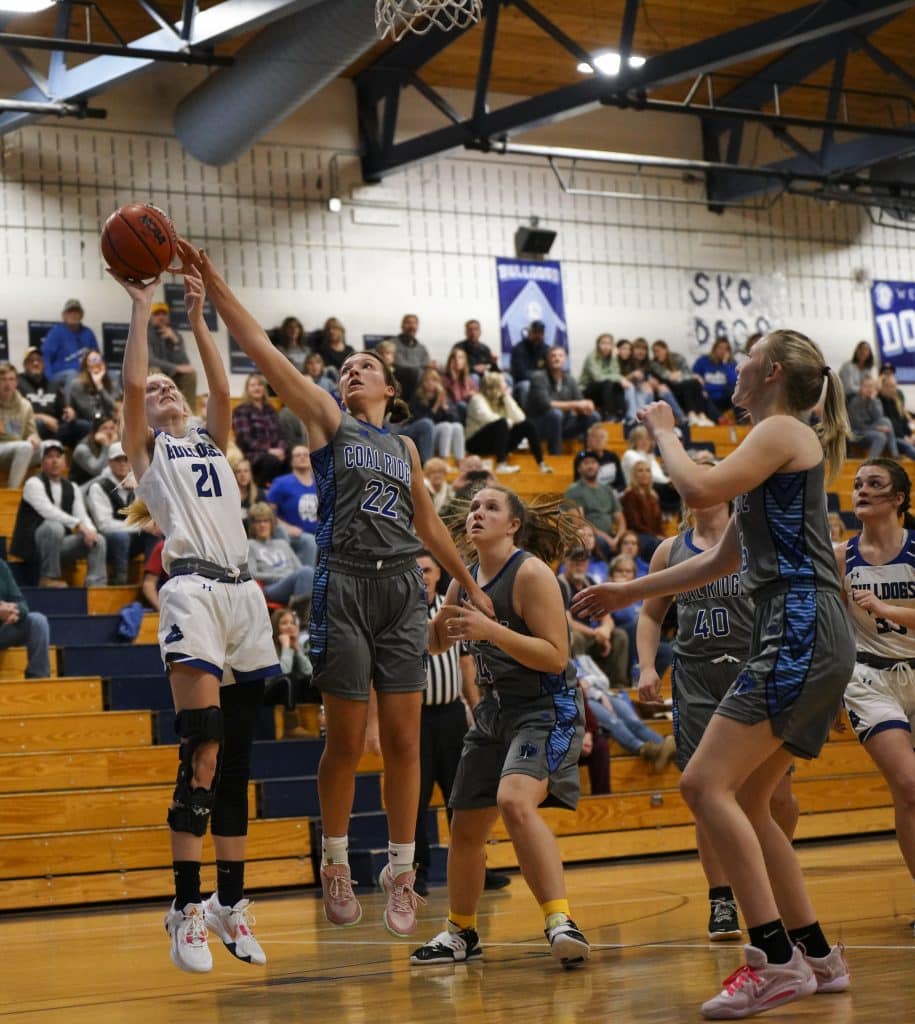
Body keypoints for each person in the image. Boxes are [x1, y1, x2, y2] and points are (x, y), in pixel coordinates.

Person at [182, 241, 493, 940]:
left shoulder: (405, 448)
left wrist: (470, 581)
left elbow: (427, 525)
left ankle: (403, 870)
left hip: (400, 596)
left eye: (366, 367)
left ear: (390, 389)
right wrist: (214, 279)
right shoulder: (329, 420)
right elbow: (262, 349)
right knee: (349, 742)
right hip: (345, 586)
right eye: (346, 366)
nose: (352, 369)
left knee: (407, 743)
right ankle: (334, 861)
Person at [572, 329, 854, 1018]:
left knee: (701, 782)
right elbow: (719, 561)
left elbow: (695, 483)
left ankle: (770, 960)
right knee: (749, 803)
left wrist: (662, 432)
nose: (736, 364)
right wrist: (626, 593)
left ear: (772, 372)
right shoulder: (770, 450)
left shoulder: (782, 429)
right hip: (798, 628)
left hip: (797, 626)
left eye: (747, 356)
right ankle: (815, 953)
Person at [113, 257, 281, 974]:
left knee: (239, 761)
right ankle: (184, 911)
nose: (158, 391)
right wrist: (144, 305)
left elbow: (218, 384)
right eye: (152, 392)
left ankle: (229, 904)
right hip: (191, 593)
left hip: (244, 595)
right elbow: (128, 382)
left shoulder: (211, 437)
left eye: (164, 386)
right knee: (204, 747)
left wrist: (197, 313)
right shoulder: (147, 454)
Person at [411, 486, 590, 967]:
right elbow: (434, 644)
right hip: (494, 711)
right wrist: (420, 617)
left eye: (491, 507)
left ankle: (560, 920)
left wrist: (492, 631)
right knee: (465, 824)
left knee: (513, 799)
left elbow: (556, 658)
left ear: (513, 524)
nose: (477, 514)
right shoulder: (463, 578)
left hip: (544, 707)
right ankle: (461, 932)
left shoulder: (530, 573)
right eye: (472, 507)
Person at [635, 461, 799, 943]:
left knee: (779, 796)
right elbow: (649, 616)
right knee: (707, 795)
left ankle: (767, 867)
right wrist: (648, 667)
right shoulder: (669, 550)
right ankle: (721, 897)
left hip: (754, 672)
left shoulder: (753, 538)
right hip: (697, 678)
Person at [838, 458, 915, 931]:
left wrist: (886, 607)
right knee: (908, 784)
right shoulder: (838, 555)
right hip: (869, 678)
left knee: (908, 798)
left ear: (900, 499)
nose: (862, 490)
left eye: (875, 484)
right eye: (858, 484)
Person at [413, 551, 481, 897]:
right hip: (416, 720)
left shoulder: (450, 610)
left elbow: (466, 667)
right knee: (416, 800)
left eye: (427, 570)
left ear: (439, 575)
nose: (422, 575)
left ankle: (475, 866)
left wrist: (476, 708)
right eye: (417, 570)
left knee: (463, 796)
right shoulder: (404, 612)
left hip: (452, 714)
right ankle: (416, 873)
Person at [9, 438, 107, 588]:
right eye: (49, 456)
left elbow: (82, 515)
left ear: (64, 461)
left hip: (59, 545)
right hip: (33, 546)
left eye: (58, 456)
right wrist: (78, 525)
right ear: (42, 462)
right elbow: (49, 511)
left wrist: (90, 531)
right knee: (53, 526)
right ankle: (48, 577)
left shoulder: (72, 487)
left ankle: (96, 586)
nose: (54, 461)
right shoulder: (33, 483)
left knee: (98, 539)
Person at [465, 371, 552, 475]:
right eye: (503, 382)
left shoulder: (503, 399)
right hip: (476, 442)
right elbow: (488, 418)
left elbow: (520, 418)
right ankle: (501, 465)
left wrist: (507, 398)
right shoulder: (477, 399)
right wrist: (508, 422)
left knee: (527, 425)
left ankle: (541, 464)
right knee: (501, 423)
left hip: (498, 441)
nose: (506, 385)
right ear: (495, 385)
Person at [86, 440, 147, 586]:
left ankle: (151, 579)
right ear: (109, 463)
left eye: (126, 459)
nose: (123, 464)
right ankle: (120, 581)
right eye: (118, 460)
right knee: (121, 537)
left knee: (156, 532)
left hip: (132, 537)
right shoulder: (98, 487)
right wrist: (140, 526)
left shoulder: (137, 483)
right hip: (109, 540)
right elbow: (104, 525)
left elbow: (148, 515)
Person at [526, 345, 599, 455]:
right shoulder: (538, 377)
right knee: (555, 414)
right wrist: (577, 404)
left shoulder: (570, 379)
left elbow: (580, 401)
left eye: (560, 356)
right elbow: (546, 404)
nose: (557, 358)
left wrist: (587, 407)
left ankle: (590, 455)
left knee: (593, 416)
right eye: (553, 356)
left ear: (565, 359)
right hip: (541, 424)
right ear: (548, 359)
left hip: (564, 424)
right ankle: (556, 456)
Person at [246, 502, 315, 610]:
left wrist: (289, 576)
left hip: (291, 581)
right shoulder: (250, 545)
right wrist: (279, 576)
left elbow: (299, 567)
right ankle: (300, 617)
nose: (262, 525)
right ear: (252, 526)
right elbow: (252, 574)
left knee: (310, 572)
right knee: (306, 572)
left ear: (271, 524)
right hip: (271, 587)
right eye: (258, 522)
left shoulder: (282, 543)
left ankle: (302, 615)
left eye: (266, 521)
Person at [18, 347, 88, 449]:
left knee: (83, 426)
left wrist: (69, 413)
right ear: (25, 365)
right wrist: (42, 417)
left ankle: (76, 462)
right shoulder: (18, 383)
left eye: (39, 360)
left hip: (55, 429)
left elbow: (62, 411)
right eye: (31, 360)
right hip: (32, 428)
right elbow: (16, 414)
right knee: (39, 425)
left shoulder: (53, 384)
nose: (35, 363)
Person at [265, 443, 319, 567]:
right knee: (309, 542)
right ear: (291, 461)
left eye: (306, 455)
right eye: (298, 455)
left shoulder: (320, 483)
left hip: (319, 533)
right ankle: (308, 581)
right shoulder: (281, 483)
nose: (302, 457)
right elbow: (267, 512)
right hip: (294, 535)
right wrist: (286, 527)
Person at [564, 452, 626, 557]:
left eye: (593, 462)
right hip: (590, 536)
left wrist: (619, 537)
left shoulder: (607, 490)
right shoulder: (574, 491)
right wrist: (607, 538)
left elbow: (620, 518)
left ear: (599, 467)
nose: (590, 466)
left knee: (629, 542)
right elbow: (580, 522)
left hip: (611, 536)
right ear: (579, 469)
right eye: (586, 463)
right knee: (601, 543)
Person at [0, 556, 51, 678]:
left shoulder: (1, 566)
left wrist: (13, 611)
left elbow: (22, 604)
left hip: (3, 629)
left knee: (38, 621)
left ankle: (38, 680)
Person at [41, 298, 99, 393]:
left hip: (84, 373)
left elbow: (96, 357)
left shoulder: (88, 333)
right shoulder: (56, 332)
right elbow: (46, 358)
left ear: (81, 315)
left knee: (114, 375)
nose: (73, 315)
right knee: (73, 374)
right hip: (60, 374)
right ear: (64, 315)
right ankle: (68, 406)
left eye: (76, 312)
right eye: (70, 312)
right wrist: (49, 381)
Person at [148, 301, 198, 407]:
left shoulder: (176, 335)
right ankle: (155, 409)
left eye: (164, 314)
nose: (161, 317)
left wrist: (175, 342)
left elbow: (185, 363)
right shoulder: (144, 333)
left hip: (171, 376)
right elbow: (149, 360)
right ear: (151, 317)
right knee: (155, 371)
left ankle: (190, 414)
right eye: (157, 314)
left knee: (190, 375)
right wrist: (176, 368)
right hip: (150, 374)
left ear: (168, 317)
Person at [410, 367, 465, 462]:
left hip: (445, 436)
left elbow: (455, 419)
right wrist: (435, 406)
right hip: (427, 437)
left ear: (438, 382)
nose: (430, 383)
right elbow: (423, 423)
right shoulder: (417, 397)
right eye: (427, 380)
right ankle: (444, 461)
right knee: (446, 426)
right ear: (422, 382)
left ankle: (459, 461)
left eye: (434, 380)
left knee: (458, 426)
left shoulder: (443, 395)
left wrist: (444, 407)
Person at [0, 361, 40, 487]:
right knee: (25, 447)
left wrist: (33, 437)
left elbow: (32, 433)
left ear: (16, 382)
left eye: (11, 379)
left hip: (19, 449)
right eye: (3, 379)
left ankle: (43, 492)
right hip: (2, 448)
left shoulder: (25, 405)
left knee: (52, 446)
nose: (7, 384)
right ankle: (12, 491)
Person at [620, 459, 665, 559]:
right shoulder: (630, 495)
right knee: (655, 543)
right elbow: (634, 523)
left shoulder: (654, 497)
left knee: (669, 544)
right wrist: (655, 535)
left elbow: (658, 524)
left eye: (647, 470)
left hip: (653, 535)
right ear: (634, 475)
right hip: (637, 534)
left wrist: (662, 536)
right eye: (640, 471)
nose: (644, 473)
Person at [578, 333, 628, 421]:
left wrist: (613, 358)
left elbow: (616, 373)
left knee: (618, 385)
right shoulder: (592, 357)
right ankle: (609, 415)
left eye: (609, 343)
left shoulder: (612, 357)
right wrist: (620, 378)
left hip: (603, 391)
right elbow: (598, 378)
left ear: (613, 346)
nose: (606, 346)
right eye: (603, 343)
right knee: (608, 383)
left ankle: (621, 415)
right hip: (587, 389)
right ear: (598, 345)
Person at [848, 375, 898, 458]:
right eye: (866, 386)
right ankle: (870, 463)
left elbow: (879, 418)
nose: (868, 389)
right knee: (881, 437)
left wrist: (872, 402)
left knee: (886, 421)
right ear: (861, 388)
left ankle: (895, 455)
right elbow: (857, 426)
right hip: (857, 433)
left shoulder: (875, 401)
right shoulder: (854, 403)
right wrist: (877, 428)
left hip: (871, 430)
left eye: (871, 386)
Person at [68, 351, 121, 426]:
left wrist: (100, 386)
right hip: (89, 424)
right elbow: (90, 414)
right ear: (86, 367)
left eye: (99, 360)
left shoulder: (112, 382)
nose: (96, 363)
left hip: (113, 423)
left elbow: (115, 408)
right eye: (92, 360)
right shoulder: (77, 385)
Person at [692, 337, 738, 421]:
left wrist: (725, 364)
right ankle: (721, 420)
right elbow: (694, 381)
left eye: (726, 349)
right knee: (700, 394)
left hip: (724, 398)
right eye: (720, 348)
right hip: (708, 397)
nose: (722, 351)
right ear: (714, 349)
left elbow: (734, 382)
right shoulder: (703, 361)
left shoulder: (731, 363)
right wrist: (704, 389)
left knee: (736, 391)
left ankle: (741, 423)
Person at [509, 320, 550, 408]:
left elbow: (550, 371)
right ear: (529, 333)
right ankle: (528, 417)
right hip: (522, 383)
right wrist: (539, 377)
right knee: (526, 385)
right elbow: (520, 374)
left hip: (542, 383)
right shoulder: (518, 348)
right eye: (535, 332)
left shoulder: (546, 349)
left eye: (540, 333)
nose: (538, 335)